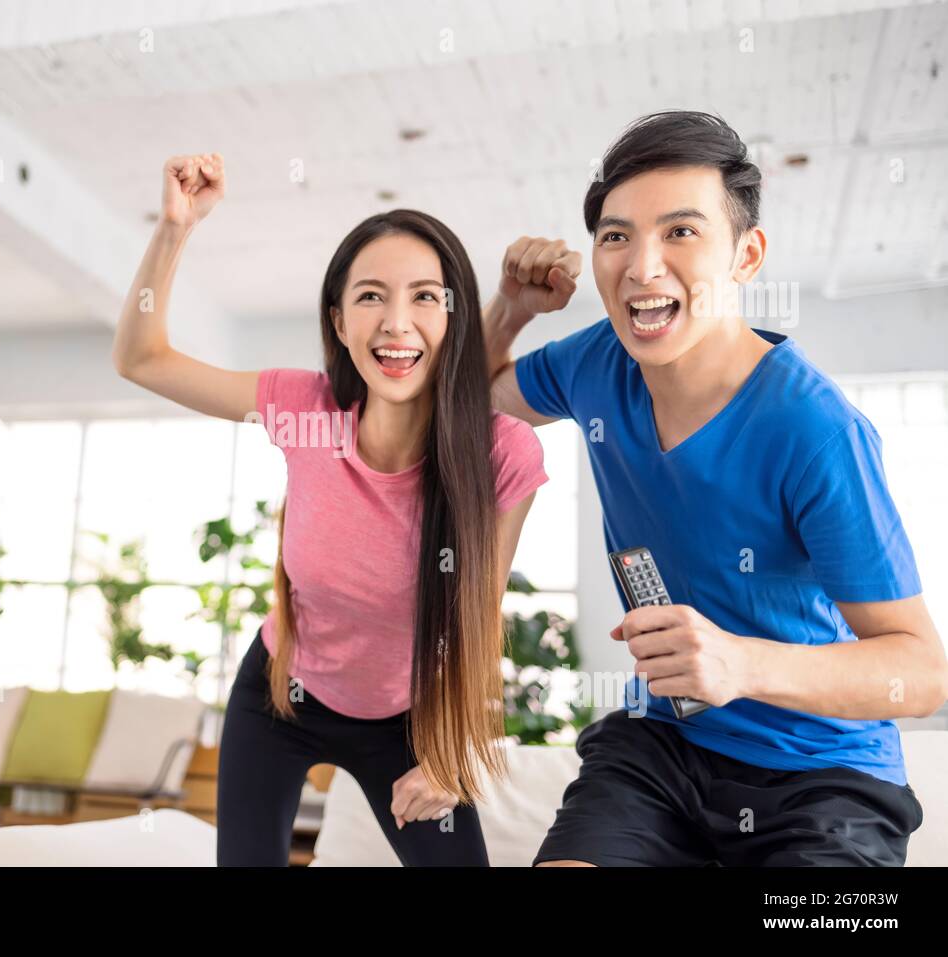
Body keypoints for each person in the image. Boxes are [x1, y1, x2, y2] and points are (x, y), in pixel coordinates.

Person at [485, 111, 946, 866]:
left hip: (824, 776)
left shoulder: (815, 430)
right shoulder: (598, 361)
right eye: (616, 236)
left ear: (747, 254)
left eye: (680, 232)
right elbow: (472, 398)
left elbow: (922, 671)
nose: (642, 266)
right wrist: (510, 310)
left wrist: (743, 664)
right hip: (662, 748)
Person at [113, 152, 573, 865]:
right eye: (370, 296)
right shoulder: (305, 410)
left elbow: (475, 618)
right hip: (280, 697)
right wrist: (175, 228)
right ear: (338, 317)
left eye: (425, 296)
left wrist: (448, 754)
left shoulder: (500, 454)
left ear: (452, 314)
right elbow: (143, 359)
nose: (396, 322)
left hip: (407, 720)